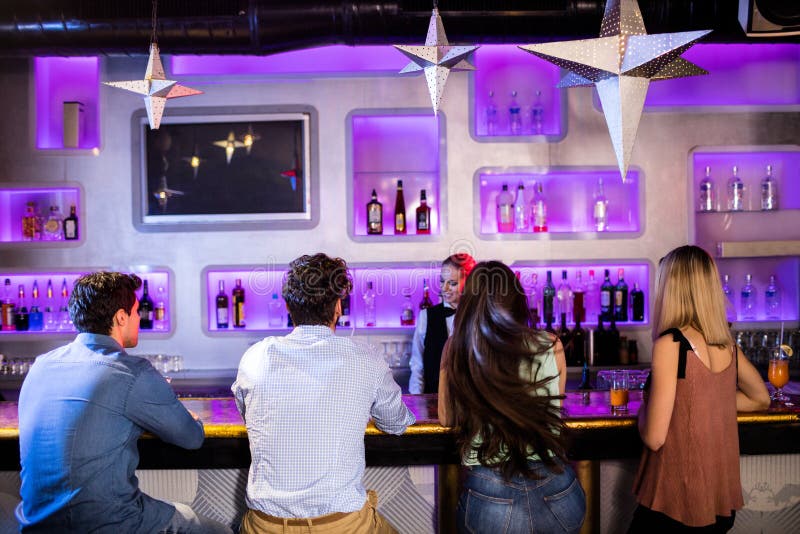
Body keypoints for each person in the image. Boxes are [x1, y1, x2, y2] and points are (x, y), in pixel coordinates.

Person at [16, 272, 231, 534]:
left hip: (35, 524)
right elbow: (191, 438)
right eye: (136, 311)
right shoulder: (132, 372)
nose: (139, 318)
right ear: (120, 317)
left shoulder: (41, 365)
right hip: (110, 525)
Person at [232, 253, 416, 533]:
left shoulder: (255, 356)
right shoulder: (365, 359)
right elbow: (396, 422)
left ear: (288, 308)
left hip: (265, 526)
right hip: (342, 527)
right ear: (338, 307)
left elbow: (246, 411)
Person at [630, 245, 770, 532]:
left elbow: (655, 438)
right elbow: (760, 399)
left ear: (671, 287)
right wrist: (706, 399)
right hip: (718, 503)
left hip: (676, 503)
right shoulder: (724, 342)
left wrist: (642, 409)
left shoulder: (671, 344)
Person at [439, 261, 584, 533]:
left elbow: (447, 418)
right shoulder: (552, 345)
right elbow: (552, 410)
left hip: (491, 495)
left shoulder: (456, 347)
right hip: (557, 490)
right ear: (517, 301)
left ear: (470, 302)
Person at [409, 252, 476, 394]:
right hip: (434, 400)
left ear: (469, 284)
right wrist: (417, 402)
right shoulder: (426, 316)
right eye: (442, 281)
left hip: (471, 403)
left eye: (452, 283)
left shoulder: (478, 317)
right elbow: (417, 366)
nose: (444, 288)